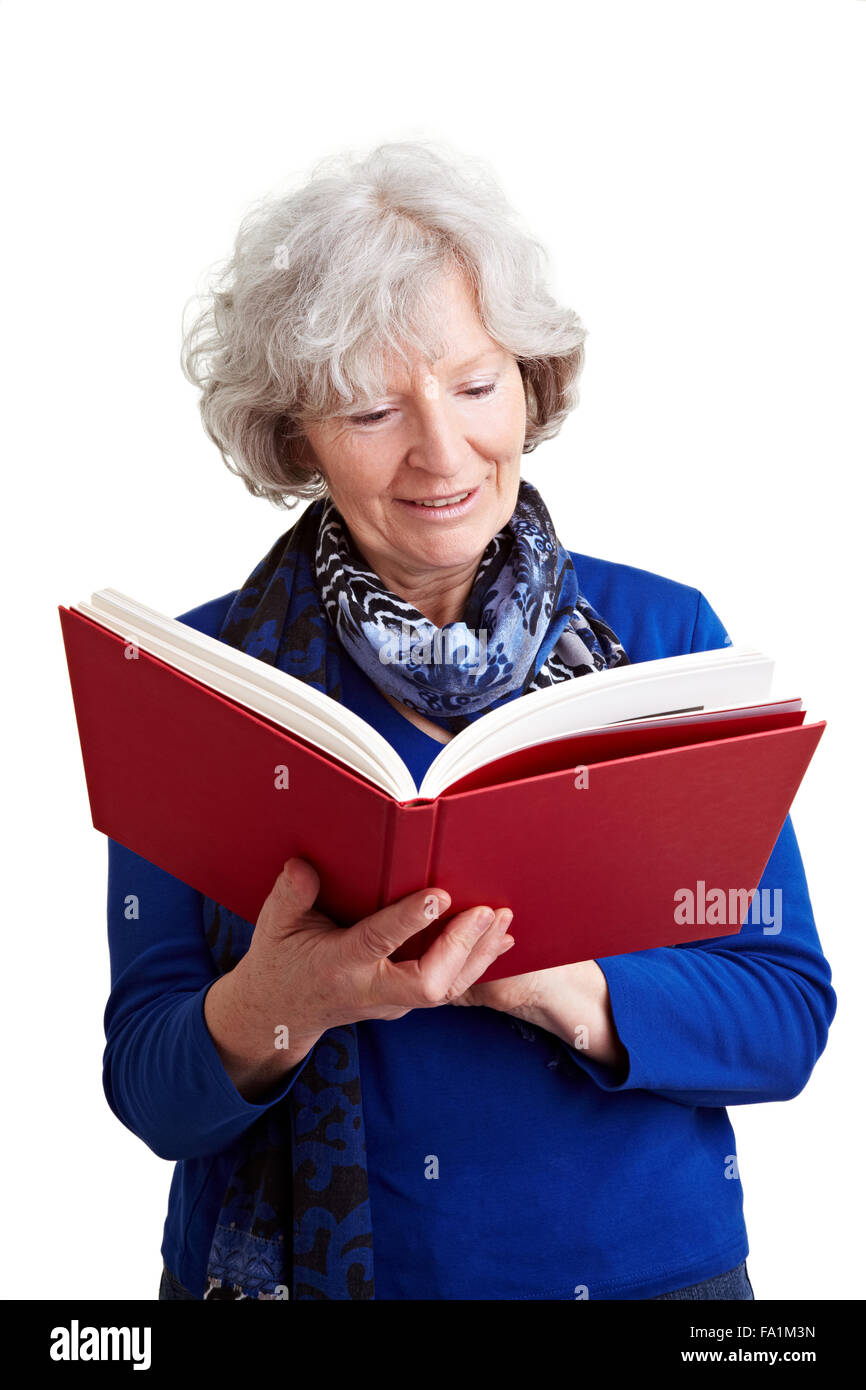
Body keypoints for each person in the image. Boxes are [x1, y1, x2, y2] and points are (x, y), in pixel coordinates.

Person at [103, 142, 836, 1301]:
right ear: (296, 436)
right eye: (370, 406)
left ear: (530, 382)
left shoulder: (663, 636)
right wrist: (282, 1001)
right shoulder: (199, 678)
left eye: (476, 385)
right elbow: (149, 1086)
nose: (441, 454)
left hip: (646, 1285)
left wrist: (544, 981)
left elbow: (780, 1015)